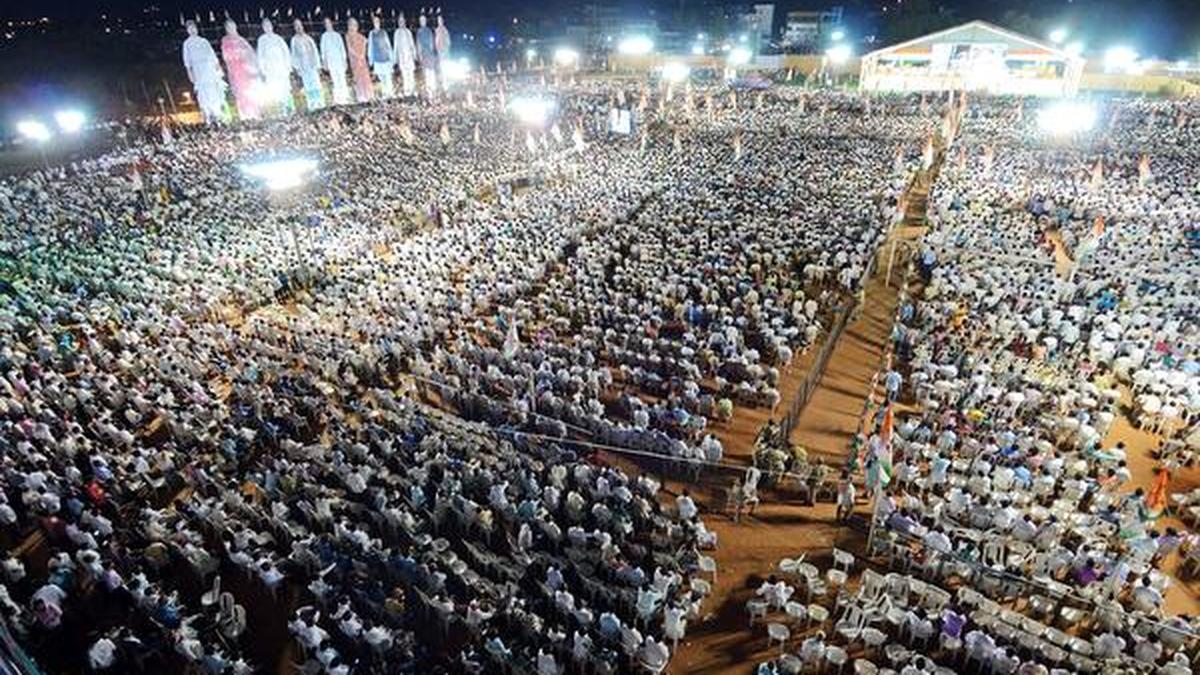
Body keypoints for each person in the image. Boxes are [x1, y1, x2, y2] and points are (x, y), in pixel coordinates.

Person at [181, 21, 227, 124]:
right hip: (199, 71)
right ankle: (208, 117)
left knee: (214, 92)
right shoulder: (187, 44)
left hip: (209, 70)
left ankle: (218, 115)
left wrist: (218, 68)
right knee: (203, 94)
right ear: (187, 31)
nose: (192, 30)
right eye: (190, 28)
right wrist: (190, 73)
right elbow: (187, 62)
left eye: (194, 28)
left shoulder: (204, 41)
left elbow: (212, 56)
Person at [220, 19, 260, 120]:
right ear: (226, 29)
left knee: (252, 95)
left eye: (232, 26)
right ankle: (246, 118)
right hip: (237, 72)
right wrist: (239, 54)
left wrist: (254, 68)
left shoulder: (242, 40)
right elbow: (227, 56)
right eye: (228, 27)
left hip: (248, 72)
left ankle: (256, 115)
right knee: (242, 95)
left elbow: (251, 54)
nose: (231, 29)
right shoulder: (226, 40)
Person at [256, 18, 293, 113]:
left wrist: (287, 67)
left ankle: (289, 110)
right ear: (263, 28)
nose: (267, 27)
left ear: (272, 26)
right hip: (270, 71)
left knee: (285, 91)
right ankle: (280, 112)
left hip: (281, 69)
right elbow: (260, 56)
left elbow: (286, 53)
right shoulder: (261, 40)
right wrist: (263, 70)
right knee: (276, 94)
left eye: (269, 25)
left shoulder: (278, 38)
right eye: (265, 26)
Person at [290, 19, 323, 111]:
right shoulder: (294, 40)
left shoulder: (309, 38)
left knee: (316, 83)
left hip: (312, 64)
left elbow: (315, 51)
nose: (299, 27)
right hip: (303, 66)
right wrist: (297, 68)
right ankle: (312, 105)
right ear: (294, 28)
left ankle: (319, 103)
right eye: (296, 26)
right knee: (308, 85)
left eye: (300, 25)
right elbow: (294, 55)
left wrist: (318, 65)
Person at [320, 17, 350, 105]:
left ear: (331, 23)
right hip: (331, 62)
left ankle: (346, 98)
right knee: (335, 80)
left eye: (329, 22)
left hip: (339, 61)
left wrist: (344, 61)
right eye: (326, 23)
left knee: (342, 79)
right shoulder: (324, 36)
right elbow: (323, 50)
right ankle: (339, 99)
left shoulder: (337, 35)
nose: (328, 25)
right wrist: (324, 62)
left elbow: (342, 48)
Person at [345, 17, 373, 102]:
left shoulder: (361, 36)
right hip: (355, 61)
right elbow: (350, 48)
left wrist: (362, 55)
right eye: (351, 24)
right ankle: (361, 97)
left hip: (362, 60)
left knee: (365, 77)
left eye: (355, 25)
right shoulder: (348, 35)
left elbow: (365, 44)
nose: (353, 27)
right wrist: (358, 56)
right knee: (358, 78)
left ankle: (369, 96)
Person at [367, 15, 394, 99]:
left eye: (378, 21)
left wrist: (391, 57)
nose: (376, 23)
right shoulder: (371, 33)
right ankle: (385, 94)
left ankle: (390, 94)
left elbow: (388, 45)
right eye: (375, 21)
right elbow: (370, 46)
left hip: (385, 58)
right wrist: (370, 59)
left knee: (388, 77)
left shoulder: (384, 32)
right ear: (373, 23)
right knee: (381, 78)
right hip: (377, 59)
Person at [393, 13, 417, 98]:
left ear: (405, 22)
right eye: (400, 21)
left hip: (409, 57)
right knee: (405, 75)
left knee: (411, 74)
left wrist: (414, 55)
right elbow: (395, 46)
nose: (401, 23)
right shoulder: (396, 33)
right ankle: (407, 92)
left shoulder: (408, 32)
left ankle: (413, 90)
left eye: (402, 21)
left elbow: (412, 44)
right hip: (402, 57)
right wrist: (395, 59)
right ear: (398, 22)